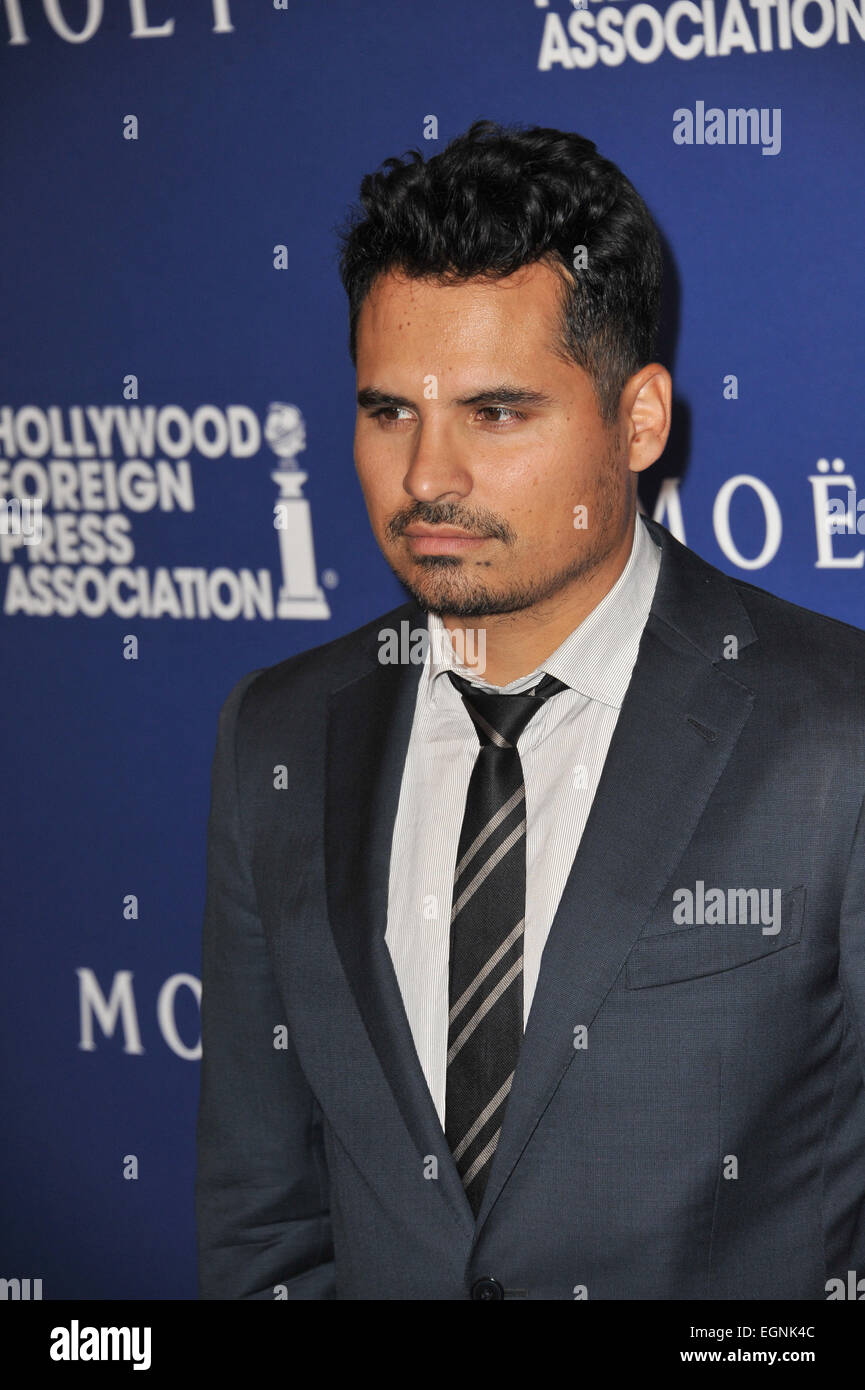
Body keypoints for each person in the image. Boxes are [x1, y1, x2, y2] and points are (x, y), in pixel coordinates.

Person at [195, 119, 865, 1300]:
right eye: (390, 410)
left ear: (640, 421)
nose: (426, 478)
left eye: (496, 413)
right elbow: (264, 1218)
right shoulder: (282, 735)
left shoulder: (833, 731)